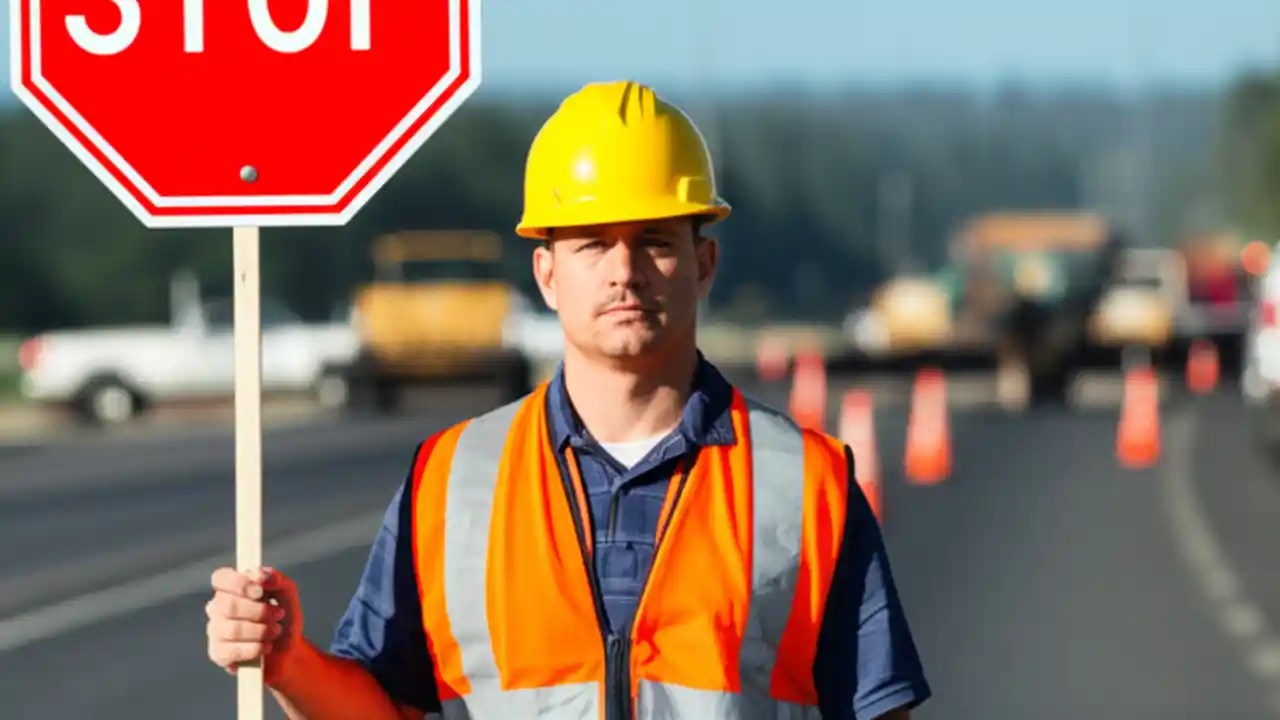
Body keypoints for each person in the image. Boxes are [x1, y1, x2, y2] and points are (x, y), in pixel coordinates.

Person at [205, 80, 932, 719]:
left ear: (703, 263)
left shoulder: (807, 483)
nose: (624, 270)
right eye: (592, 243)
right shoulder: (452, 480)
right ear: (548, 274)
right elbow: (381, 710)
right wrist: (289, 663)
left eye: (654, 240)